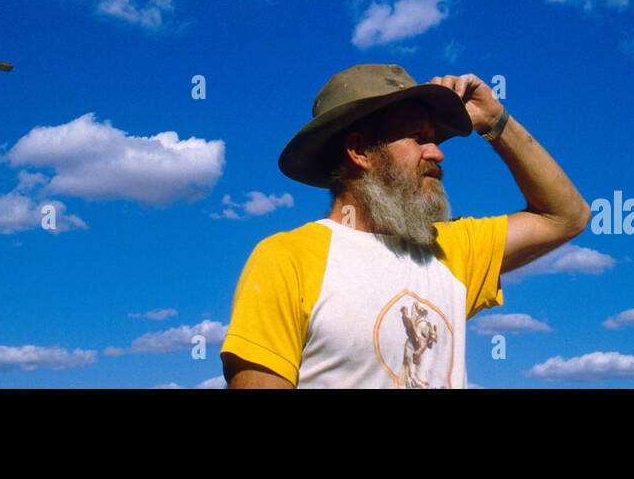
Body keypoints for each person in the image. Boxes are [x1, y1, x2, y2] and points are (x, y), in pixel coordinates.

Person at [220, 63, 591, 388]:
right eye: (419, 138)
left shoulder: (449, 250)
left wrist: (495, 122)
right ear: (360, 151)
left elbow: (566, 216)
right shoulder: (286, 259)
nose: (437, 152)